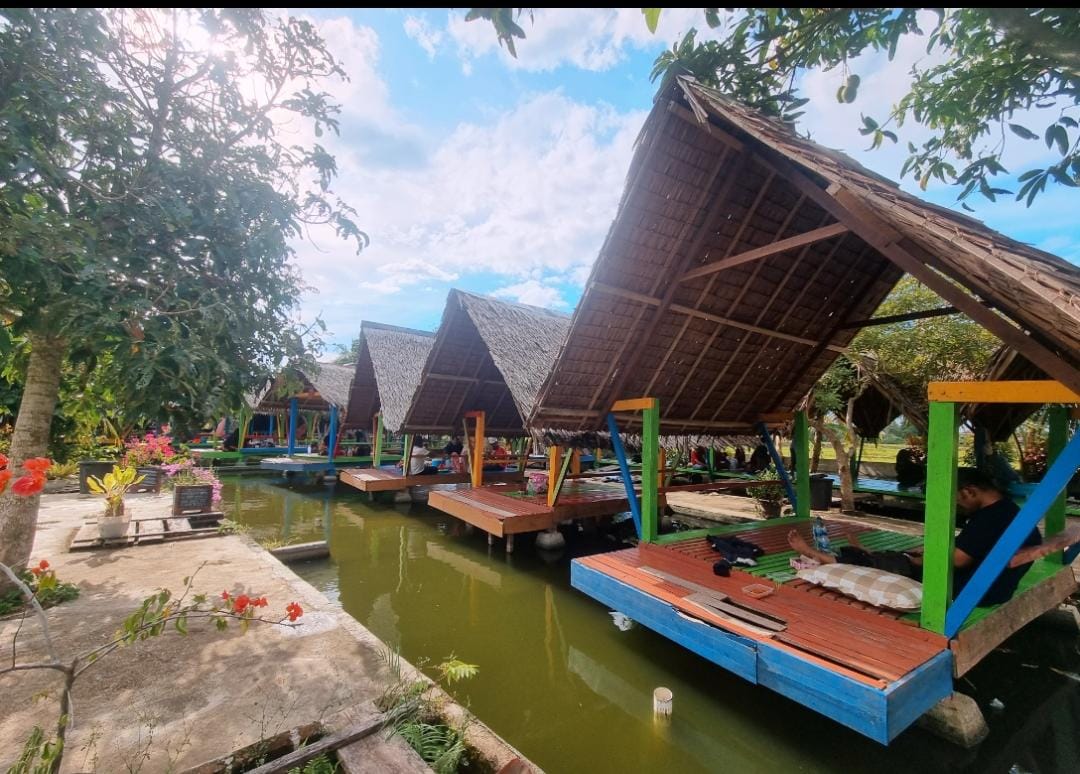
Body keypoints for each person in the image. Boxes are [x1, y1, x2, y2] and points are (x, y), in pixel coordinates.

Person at [788, 469, 1042, 605]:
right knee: (899, 558)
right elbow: (969, 549)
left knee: (881, 563)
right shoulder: (1007, 510)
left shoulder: (990, 518)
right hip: (995, 587)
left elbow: (957, 561)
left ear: (969, 492)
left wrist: (919, 560)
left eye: (956, 499)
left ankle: (818, 553)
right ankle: (866, 554)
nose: (958, 506)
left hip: (968, 591)